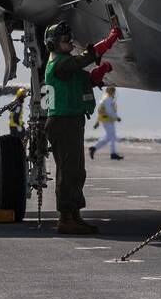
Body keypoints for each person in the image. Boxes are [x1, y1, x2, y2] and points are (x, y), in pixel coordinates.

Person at [43, 19, 120, 236]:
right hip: (62, 122)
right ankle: (66, 218)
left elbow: (86, 79)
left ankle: (74, 215)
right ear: (53, 44)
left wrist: (100, 71)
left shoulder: (66, 65)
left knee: (76, 171)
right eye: (65, 40)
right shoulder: (58, 64)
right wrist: (108, 41)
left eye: (69, 39)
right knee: (68, 172)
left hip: (71, 121)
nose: (69, 42)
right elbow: (82, 61)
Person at [90, 85, 123, 160]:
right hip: (107, 120)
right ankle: (113, 153)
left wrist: (97, 122)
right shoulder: (108, 99)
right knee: (112, 137)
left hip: (108, 120)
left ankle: (94, 148)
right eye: (113, 91)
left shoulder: (105, 99)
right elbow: (109, 111)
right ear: (111, 91)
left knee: (108, 138)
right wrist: (116, 117)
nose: (114, 93)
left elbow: (102, 111)